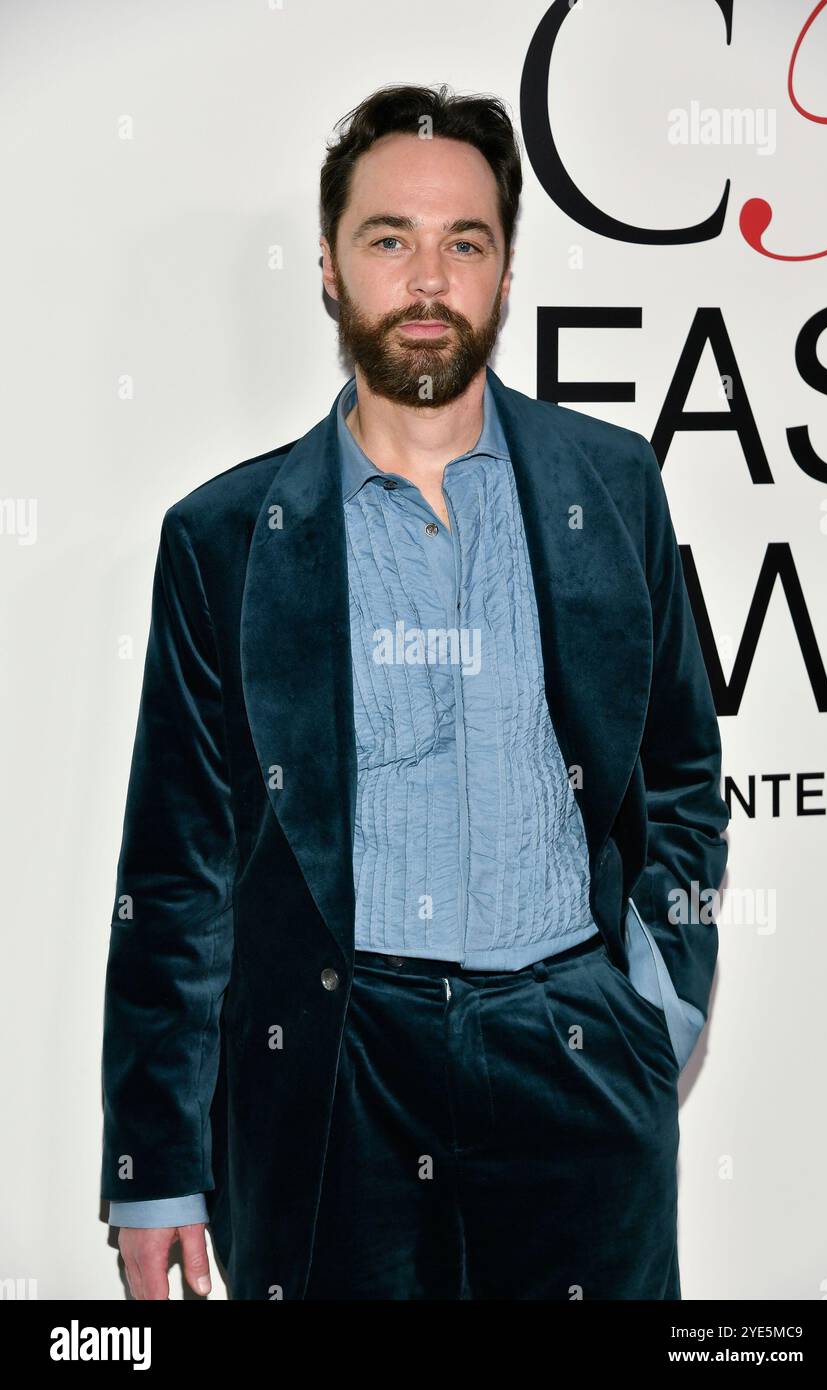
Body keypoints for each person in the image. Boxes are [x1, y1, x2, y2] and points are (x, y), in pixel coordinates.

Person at [100, 82, 729, 1300]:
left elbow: (682, 777)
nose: (429, 279)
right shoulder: (223, 538)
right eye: (390, 239)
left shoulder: (613, 488)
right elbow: (177, 871)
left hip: (575, 1055)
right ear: (329, 267)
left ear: (504, 272)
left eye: (465, 243)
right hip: (336, 1075)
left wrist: (660, 1010)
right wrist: (156, 1165)